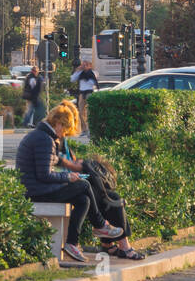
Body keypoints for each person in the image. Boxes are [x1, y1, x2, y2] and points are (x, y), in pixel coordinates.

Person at [14, 100, 124, 263]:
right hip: (35, 190)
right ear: (58, 123)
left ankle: (72, 243)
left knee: (83, 199)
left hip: (37, 187)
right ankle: (100, 225)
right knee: (84, 185)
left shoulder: (42, 136)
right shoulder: (45, 140)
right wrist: (68, 177)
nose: (64, 134)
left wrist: (67, 167)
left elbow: (48, 163)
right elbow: (44, 175)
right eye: (65, 129)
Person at [50, 100, 145, 260]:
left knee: (112, 197)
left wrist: (80, 164)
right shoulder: (51, 141)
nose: (67, 131)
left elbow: (71, 162)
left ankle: (112, 244)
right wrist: (75, 167)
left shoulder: (63, 142)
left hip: (72, 182)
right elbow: (57, 167)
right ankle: (120, 245)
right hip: (65, 185)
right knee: (109, 198)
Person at [71, 60, 98, 134]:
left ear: (89, 65)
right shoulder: (80, 73)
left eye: (86, 65)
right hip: (82, 93)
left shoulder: (92, 73)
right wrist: (78, 71)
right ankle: (84, 128)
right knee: (80, 112)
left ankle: (90, 128)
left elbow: (93, 82)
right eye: (83, 65)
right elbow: (72, 79)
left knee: (89, 111)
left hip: (89, 92)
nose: (84, 66)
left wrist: (86, 76)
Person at [21, 62, 47, 127]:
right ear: (32, 71)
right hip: (32, 97)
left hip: (33, 97)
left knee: (32, 110)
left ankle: (30, 123)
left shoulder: (34, 77)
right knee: (36, 110)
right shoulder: (32, 78)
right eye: (34, 71)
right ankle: (29, 123)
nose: (35, 72)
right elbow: (33, 88)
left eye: (36, 71)